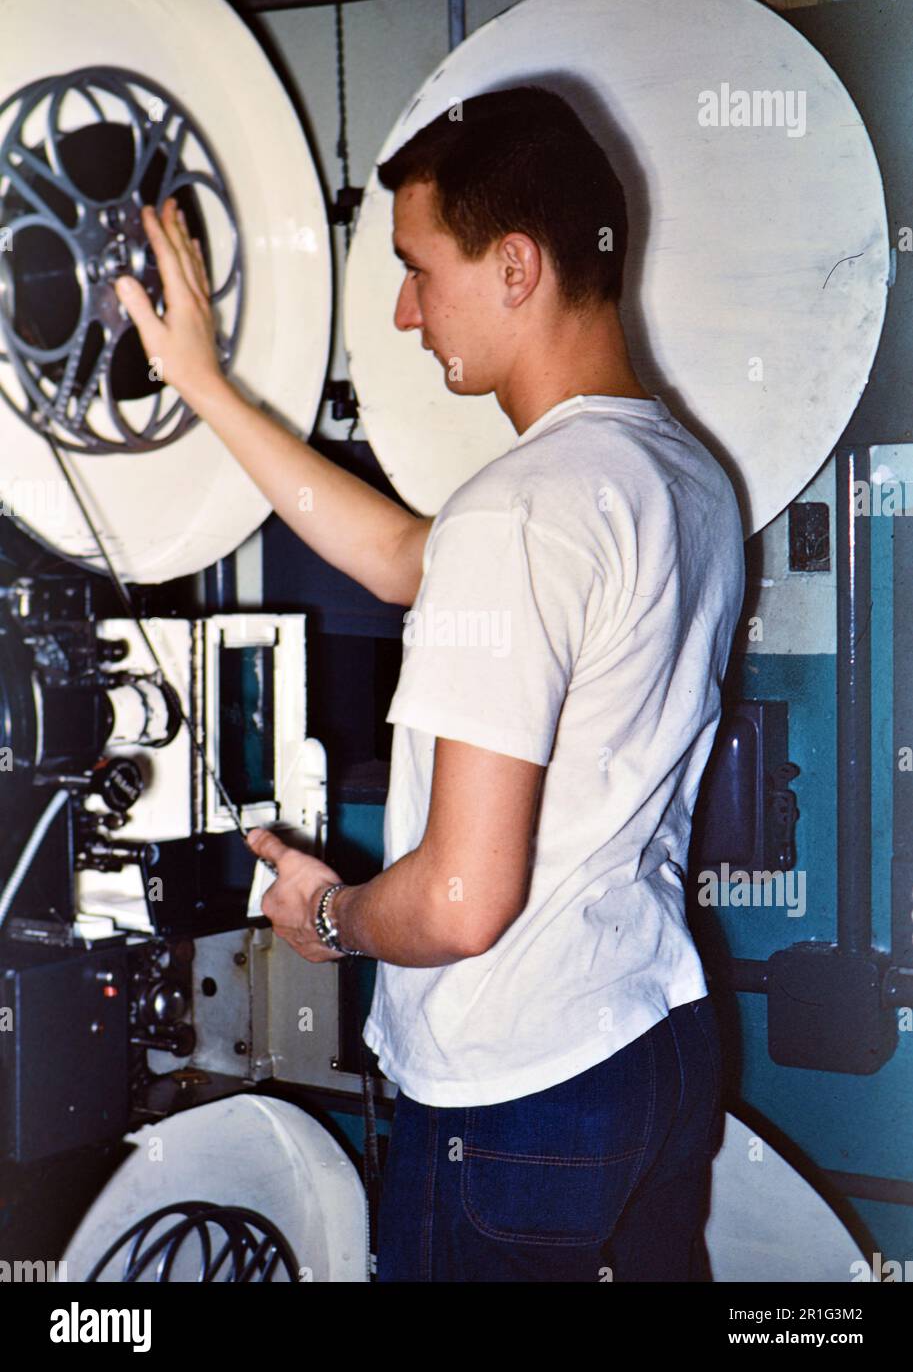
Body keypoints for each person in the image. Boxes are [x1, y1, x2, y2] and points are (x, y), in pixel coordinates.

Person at [116, 84, 745, 1283]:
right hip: (648, 1049)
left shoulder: (524, 510)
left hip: (515, 1100)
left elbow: (460, 904)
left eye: (418, 268)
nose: (405, 314)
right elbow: (412, 558)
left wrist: (330, 919)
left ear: (516, 265)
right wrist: (203, 387)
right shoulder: (672, 473)